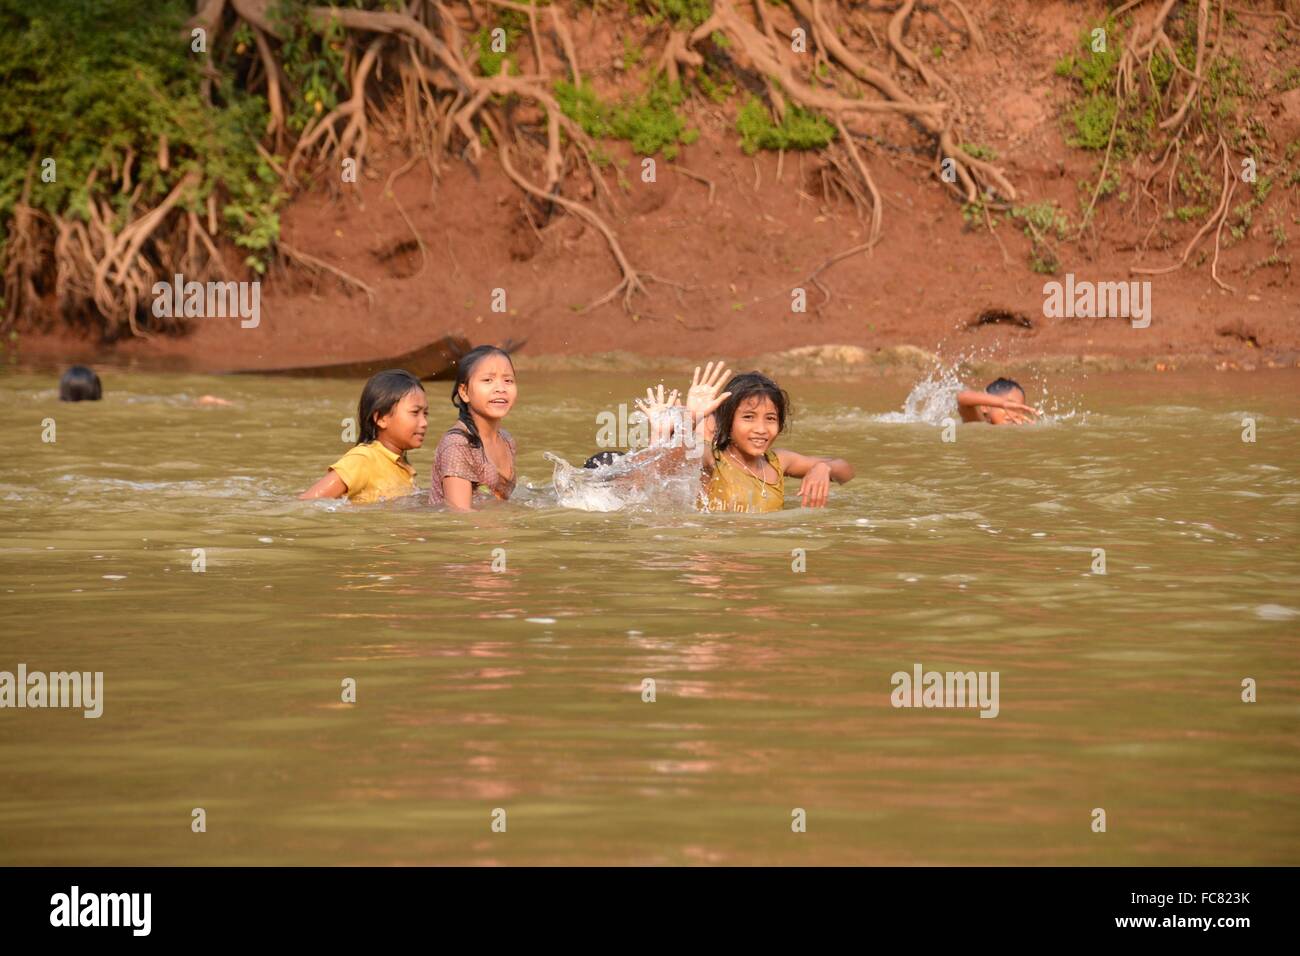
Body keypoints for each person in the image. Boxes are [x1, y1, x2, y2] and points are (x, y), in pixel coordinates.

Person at [642, 362, 855, 512]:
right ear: (727, 420)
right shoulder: (713, 458)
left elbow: (846, 472)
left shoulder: (779, 462)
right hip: (715, 558)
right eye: (748, 417)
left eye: (770, 418)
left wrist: (823, 468)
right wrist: (691, 419)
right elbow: (667, 464)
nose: (761, 429)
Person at [299, 369, 427, 503]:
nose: (424, 423)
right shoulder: (363, 459)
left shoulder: (402, 466)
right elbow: (307, 503)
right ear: (381, 418)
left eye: (425, 414)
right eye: (415, 412)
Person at [428, 345, 517, 511]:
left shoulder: (507, 440)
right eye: (487, 380)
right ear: (464, 392)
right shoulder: (457, 445)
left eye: (508, 380)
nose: (501, 389)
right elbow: (461, 517)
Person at [956, 377, 1041, 425]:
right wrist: (1003, 403)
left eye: (1019, 409)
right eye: (1010, 406)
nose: (1014, 414)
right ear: (985, 407)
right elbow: (962, 397)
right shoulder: (977, 422)